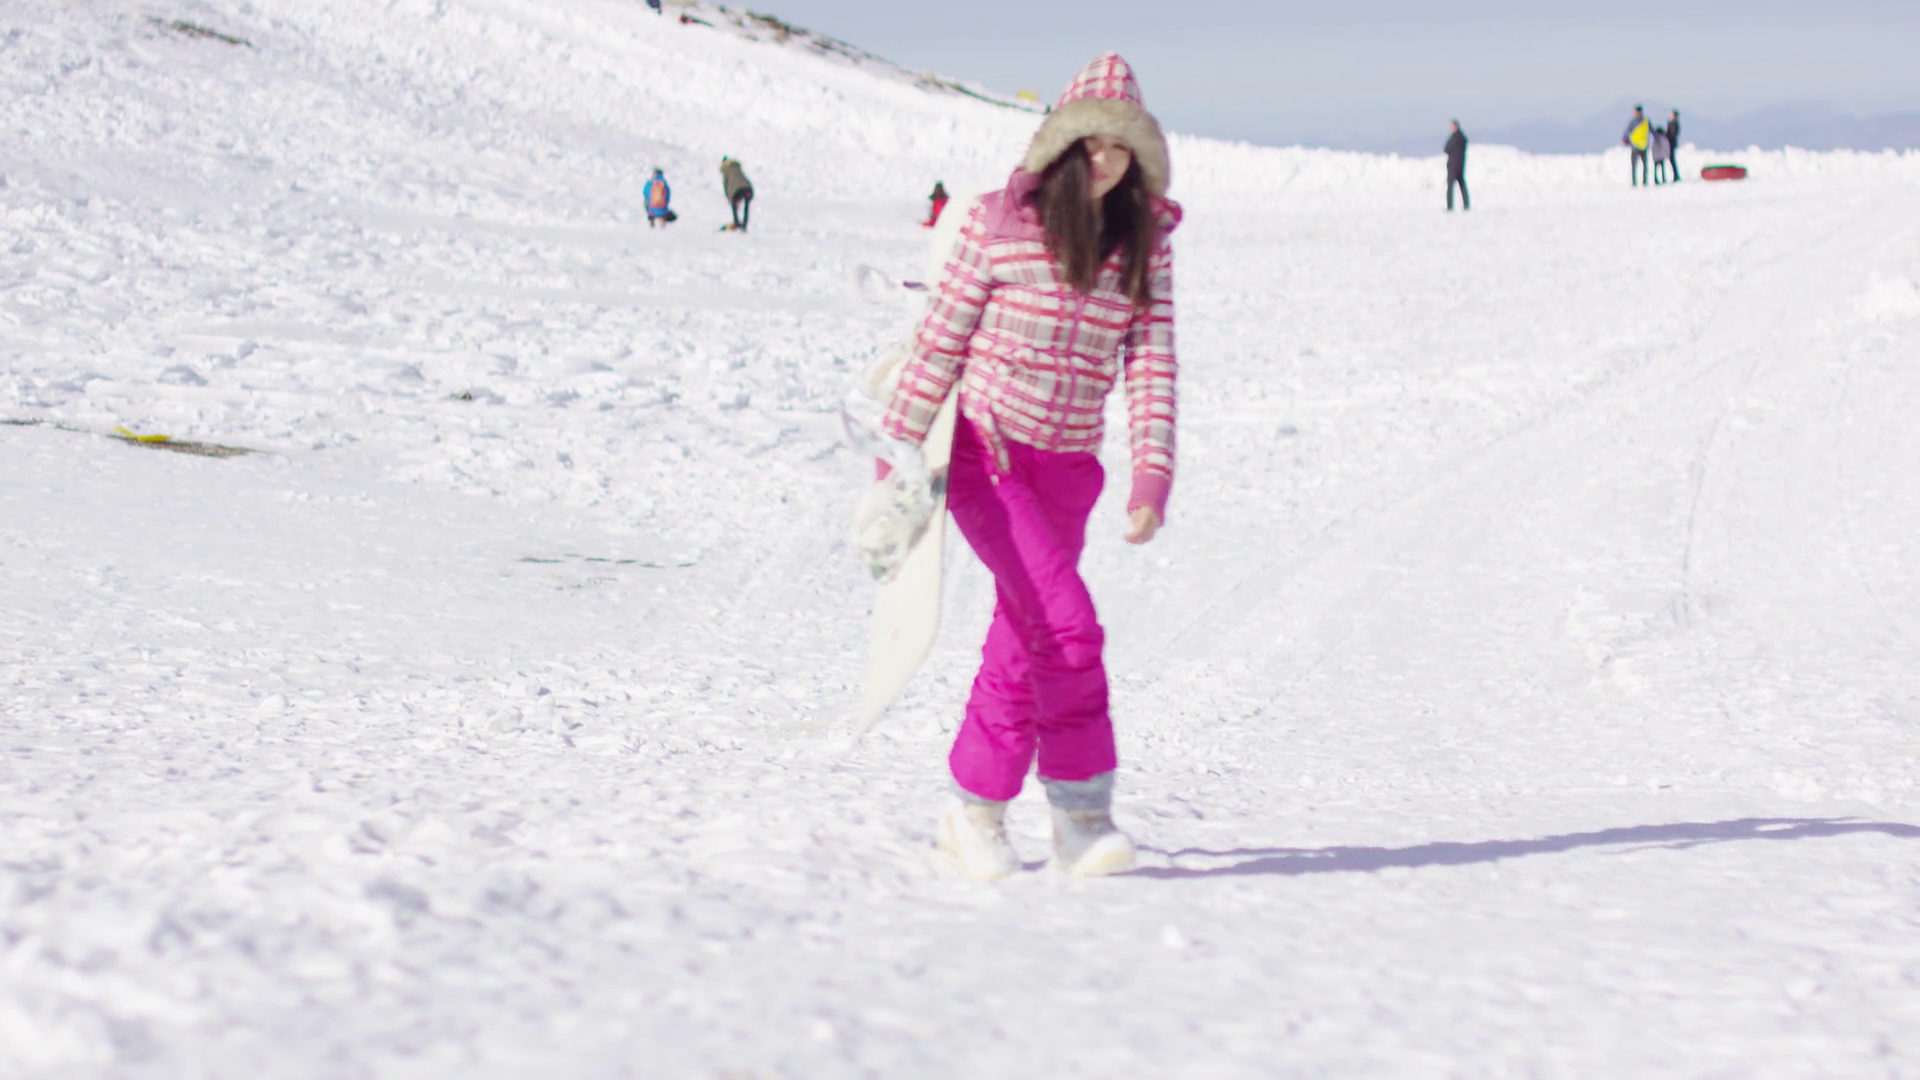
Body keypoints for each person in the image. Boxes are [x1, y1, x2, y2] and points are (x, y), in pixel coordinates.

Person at [879, 52, 1180, 880]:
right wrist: (895, 462)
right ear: (1059, 146)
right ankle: (1082, 812)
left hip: (1069, 473)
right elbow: (940, 343)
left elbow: (1151, 363)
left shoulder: (1140, 247)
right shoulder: (995, 224)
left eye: (1122, 150)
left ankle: (974, 815)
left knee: (1025, 636)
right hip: (990, 456)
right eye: (1091, 144)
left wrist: (1151, 476)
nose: (1105, 162)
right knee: (1068, 625)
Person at [719, 157, 753, 232]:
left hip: (738, 190)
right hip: (748, 188)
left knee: (734, 204)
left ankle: (736, 222)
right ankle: (744, 226)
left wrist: (728, 197)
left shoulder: (726, 169)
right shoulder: (736, 166)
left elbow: (726, 184)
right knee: (746, 206)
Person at [1444, 120, 1469, 211]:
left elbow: (1446, 149)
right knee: (1462, 186)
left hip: (1452, 166)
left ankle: (1449, 206)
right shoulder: (1462, 138)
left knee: (1450, 187)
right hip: (1461, 165)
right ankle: (1466, 205)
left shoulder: (1453, 138)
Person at [1624, 105, 1651, 187]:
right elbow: (1627, 132)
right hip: (1635, 147)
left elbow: (1652, 131)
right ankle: (1634, 182)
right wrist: (1625, 139)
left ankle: (1644, 182)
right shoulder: (1633, 122)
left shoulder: (1645, 121)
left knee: (1645, 167)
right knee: (1634, 166)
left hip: (1643, 147)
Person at [1665, 109, 1683, 183]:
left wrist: (1666, 136)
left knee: (1672, 160)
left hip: (1671, 144)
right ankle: (1675, 175)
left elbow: (1672, 134)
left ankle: (1676, 176)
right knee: (1672, 160)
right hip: (1671, 143)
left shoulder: (1674, 124)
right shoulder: (1673, 123)